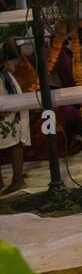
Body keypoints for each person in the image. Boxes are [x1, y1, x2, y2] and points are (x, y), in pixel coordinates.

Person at [0, 42, 29, 192]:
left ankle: (18, 180)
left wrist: (4, 61)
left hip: (4, 86)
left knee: (14, 134)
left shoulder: (5, 31)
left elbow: (12, 60)